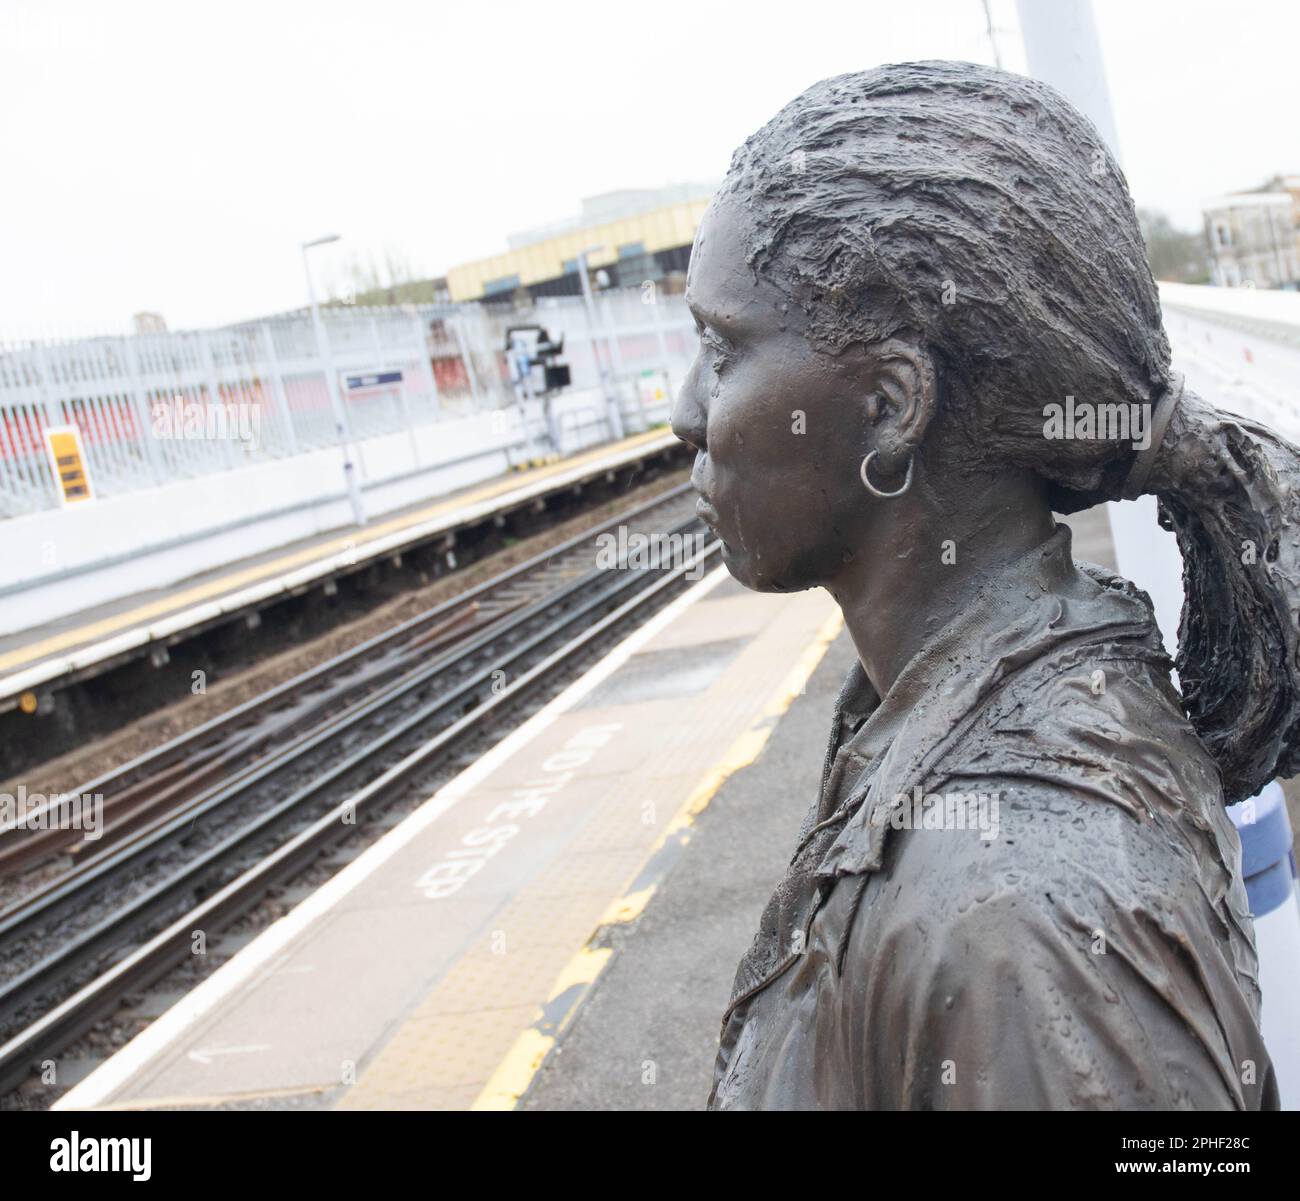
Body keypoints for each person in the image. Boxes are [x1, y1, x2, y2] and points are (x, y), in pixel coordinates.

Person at [671, 61, 1298, 1110]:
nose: (686, 412)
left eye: (722, 347)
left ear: (889, 405)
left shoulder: (1023, 914)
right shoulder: (916, 709)